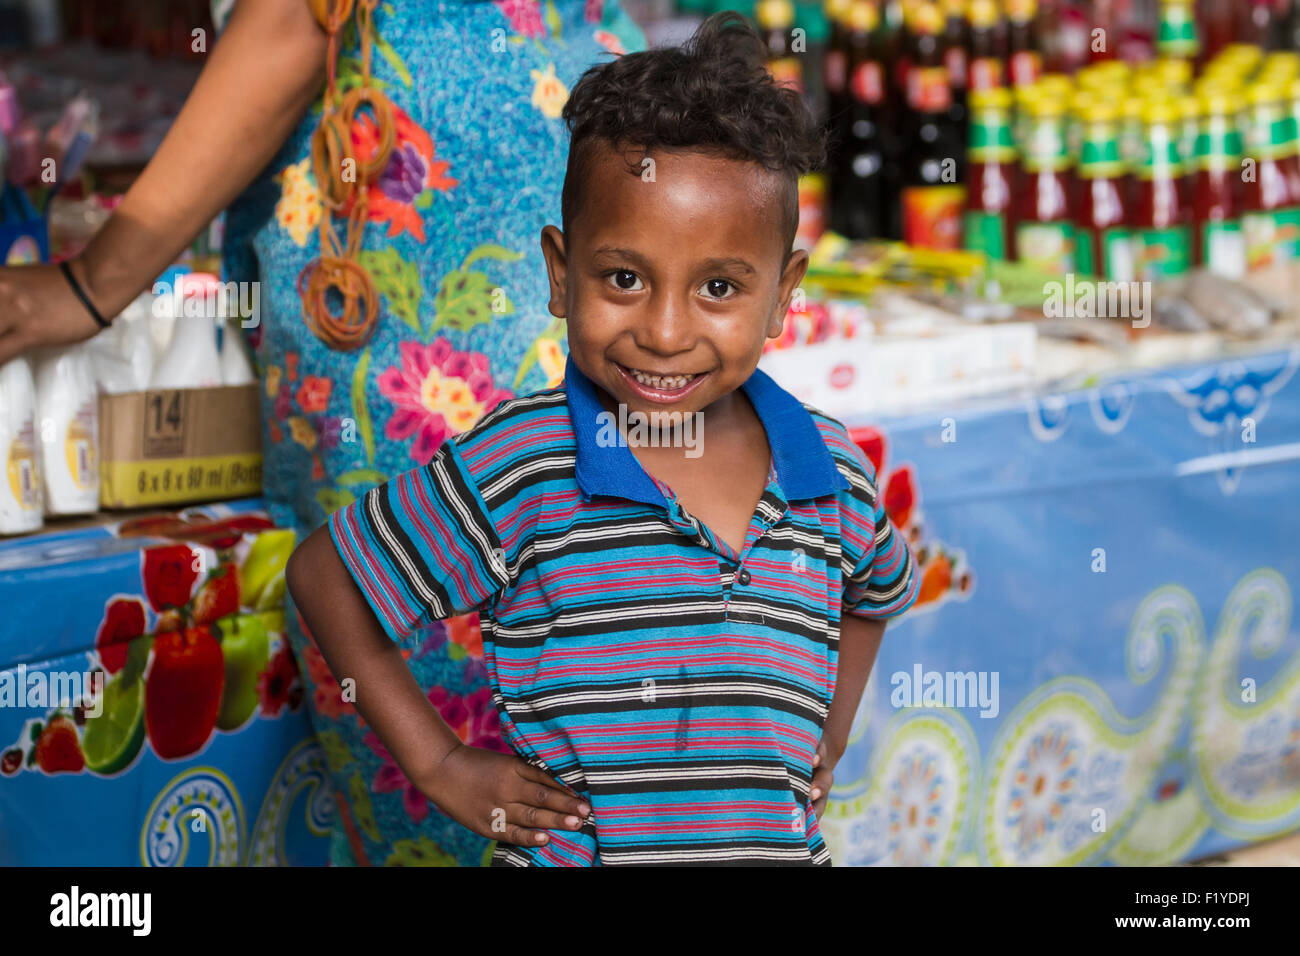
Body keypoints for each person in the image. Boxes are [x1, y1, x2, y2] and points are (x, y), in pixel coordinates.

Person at [0, 0, 646, 865]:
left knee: (456, 681)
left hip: (420, 196)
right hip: (558, 108)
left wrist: (90, 286)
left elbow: (295, 19)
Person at [287, 12, 921, 866]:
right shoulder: (525, 464)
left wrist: (829, 735)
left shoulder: (832, 472)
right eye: (623, 278)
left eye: (719, 287)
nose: (664, 331)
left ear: (782, 295)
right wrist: (439, 762)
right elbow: (327, 575)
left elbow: (875, 589)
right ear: (559, 271)